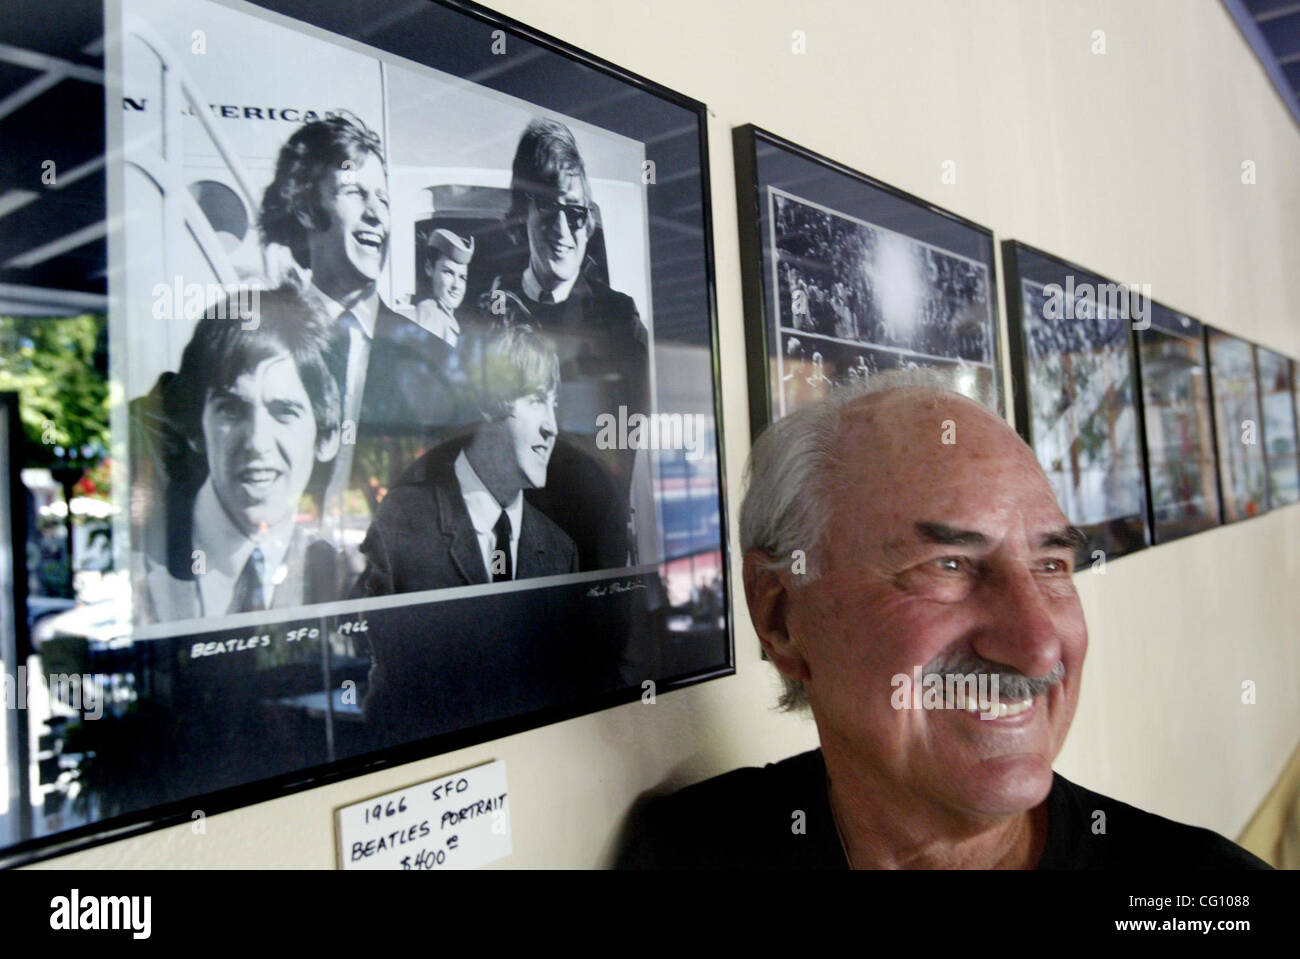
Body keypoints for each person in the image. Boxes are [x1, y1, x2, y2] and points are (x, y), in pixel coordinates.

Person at [617, 371, 1270, 869]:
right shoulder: (688, 849)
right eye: (950, 565)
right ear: (781, 614)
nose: (1040, 646)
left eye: (1050, 565)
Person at [467, 117, 650, 571]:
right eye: (546, 209)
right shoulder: (485, 312)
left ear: (588, 225)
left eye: (576, 213)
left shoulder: (618, 319)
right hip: (500, 542)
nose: (562, 229)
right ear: (519, 216)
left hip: (590, 539)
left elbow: (626, 442)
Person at [260, 111, 455, 533]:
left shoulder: (434, 359)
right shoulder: (259, 346)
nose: (376, 215)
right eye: (354, 194)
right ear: (307, 209)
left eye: (383, 200)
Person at [132, 286, 343, 623]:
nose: (257, 442)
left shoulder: (345, 574)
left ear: (326, 435)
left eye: (284, 411)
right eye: (232, 409)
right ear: (195, 427)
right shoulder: (139, 570)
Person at [351, 323, 577, 596]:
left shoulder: (561, 550)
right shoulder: (402, 520)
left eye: (553, 405)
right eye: (536, 399)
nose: (551, 427)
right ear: (488, 403)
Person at [415, 228, 474, 348]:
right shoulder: (429, 312)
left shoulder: (447, 318)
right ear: (429, 268)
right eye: (448, 273)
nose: (456, 285)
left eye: (462, 277)